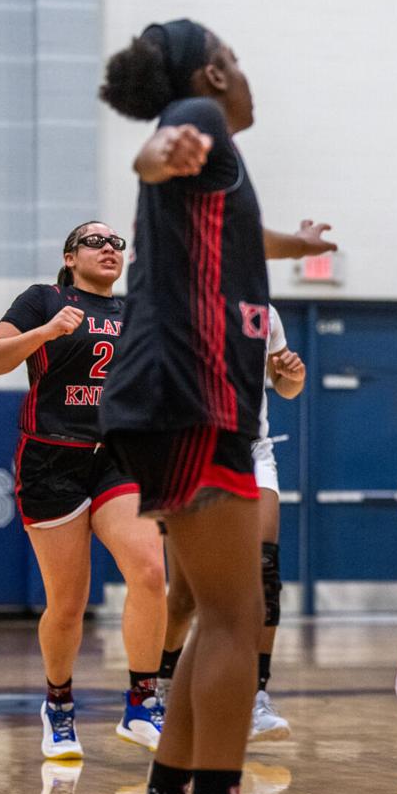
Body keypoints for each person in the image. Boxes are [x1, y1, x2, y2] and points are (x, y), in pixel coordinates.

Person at [98, 17, 334, 794]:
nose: (244, 71)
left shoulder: (220, 167)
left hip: (182, 397)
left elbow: (236, 233)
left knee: (211, 608)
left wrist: (293, 244)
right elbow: (154, 152)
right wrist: (155, 154)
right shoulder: (196, 121)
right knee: (239, 617)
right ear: (215, 73)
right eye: (237, 58)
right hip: (191, 391)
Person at [0, 221, 167, 761]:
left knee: (151, 572)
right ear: (70, 255)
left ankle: (142, 704)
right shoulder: (43, 299)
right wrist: (45, 333)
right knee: (68, 604)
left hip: (117, 458)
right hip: (50, 459)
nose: (109, 249)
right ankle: (58, 705)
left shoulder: (136, 313)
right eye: (95, 241)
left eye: (116, 243)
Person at [158, 303, 306, 743]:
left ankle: (255, 696)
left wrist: (290, 376)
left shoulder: (264, 313)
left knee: (264, 574)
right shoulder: (176, 301)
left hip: (251, 452)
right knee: (185, 596)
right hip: (191, 453)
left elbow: (284, 385)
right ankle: (160, 686)